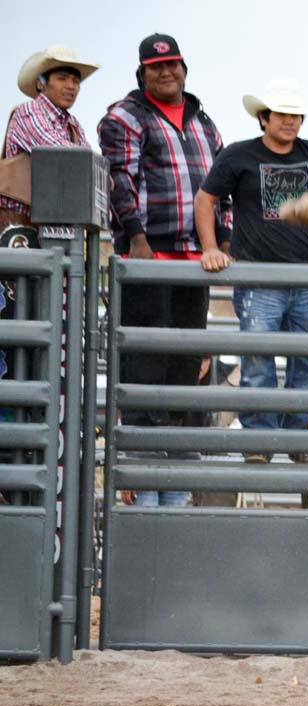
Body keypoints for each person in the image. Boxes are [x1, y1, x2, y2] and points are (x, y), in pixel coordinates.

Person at [193, 79, 308, 463]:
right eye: (282, 115)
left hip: (306, 275)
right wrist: (209, 248)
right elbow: (206, 199)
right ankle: (259, 441)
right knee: (259, 359)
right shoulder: (239, 155)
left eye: (296, 116)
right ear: (264, 118)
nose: (290, 122)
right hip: (258, 277)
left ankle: (298, 435)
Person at [98, 34, 228, 507]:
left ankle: (174, 483)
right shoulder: (125, 116)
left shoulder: (203, 120)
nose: (165, 72)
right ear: (142, 72)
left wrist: (223, 239)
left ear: (184, 68)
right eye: (156, 67)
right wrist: (136, 238)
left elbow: (219, 182)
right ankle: (142, 480)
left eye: (172, 64)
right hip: (149, 257)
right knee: (145, 365)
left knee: (183, 366)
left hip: (194, 258)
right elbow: (119, 179)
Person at [2, 45, 98, 230]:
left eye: (75, 81)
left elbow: (86, 161)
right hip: (21, 225)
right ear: (40, 83)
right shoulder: (28, 112)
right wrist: (98, 169)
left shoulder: (73, 124)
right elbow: (60, 152)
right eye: (62, 79)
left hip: (53, 224)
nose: (70, 86)